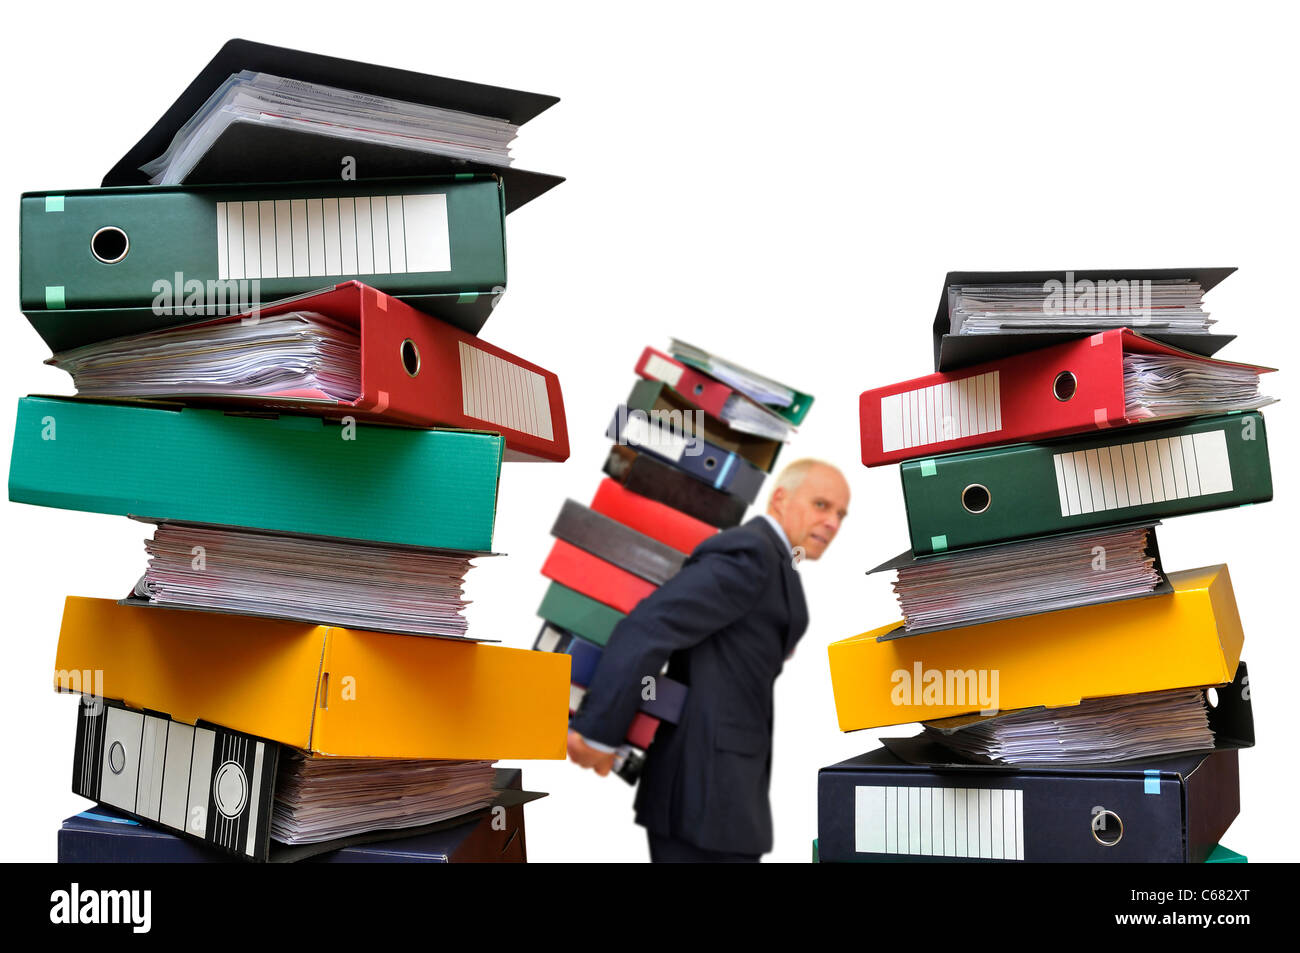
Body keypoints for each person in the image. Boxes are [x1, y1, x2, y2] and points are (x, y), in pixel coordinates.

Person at [567, 458, 850, 862]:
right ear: (781, 499)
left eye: (841, 514)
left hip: (724, 799)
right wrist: (598, 733)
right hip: (703, 797)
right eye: (822, 505)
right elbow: (650, 626)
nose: (833, 523)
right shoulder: (751, 552)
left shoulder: (778, 560)